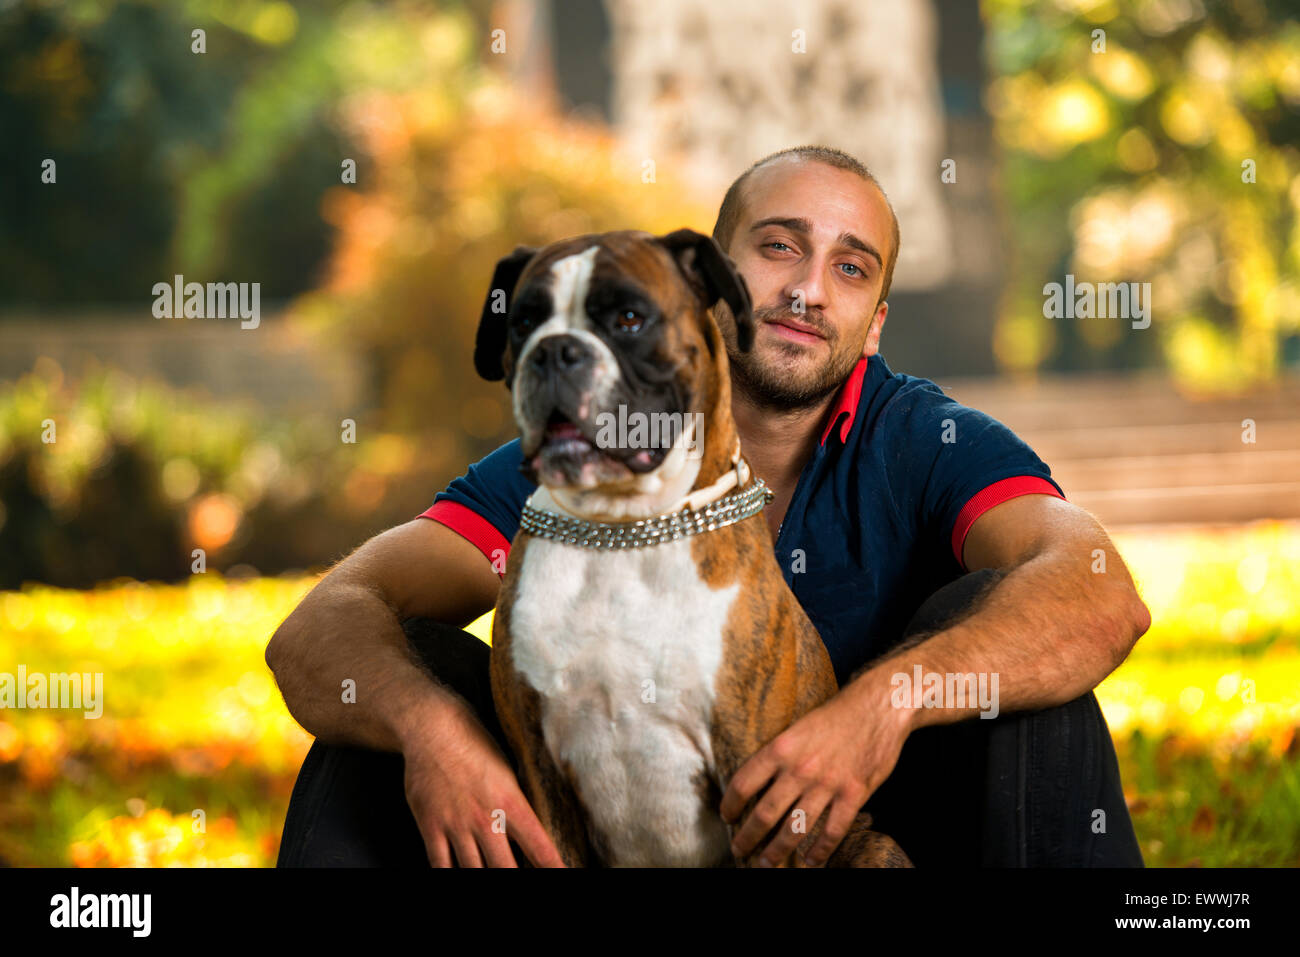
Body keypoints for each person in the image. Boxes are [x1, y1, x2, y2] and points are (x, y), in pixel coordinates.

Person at [266, 145, 1150, 868]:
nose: (808, 289)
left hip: (886, 836)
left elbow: (1101, 593)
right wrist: (429, 730)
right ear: (709, 286)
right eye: (779, 246)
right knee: (398, 679)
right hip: (576, 839)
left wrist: (886, 702)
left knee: (1018, 669)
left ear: (876, 322)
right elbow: (321, 627)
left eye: (850, 267)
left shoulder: (930, 440)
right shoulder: (570, 469)